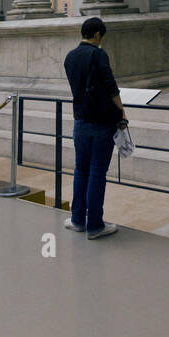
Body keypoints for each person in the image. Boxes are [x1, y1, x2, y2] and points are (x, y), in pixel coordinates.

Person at [62, 16, 126, 239]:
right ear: (98, 34)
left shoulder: (70, 57)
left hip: (80, 121)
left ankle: (78, 219)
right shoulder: (98, 54)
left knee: (81, 170)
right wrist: (122, 112)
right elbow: (111, 87)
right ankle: (95, 225)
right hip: (101, 122)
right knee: (98, 173)